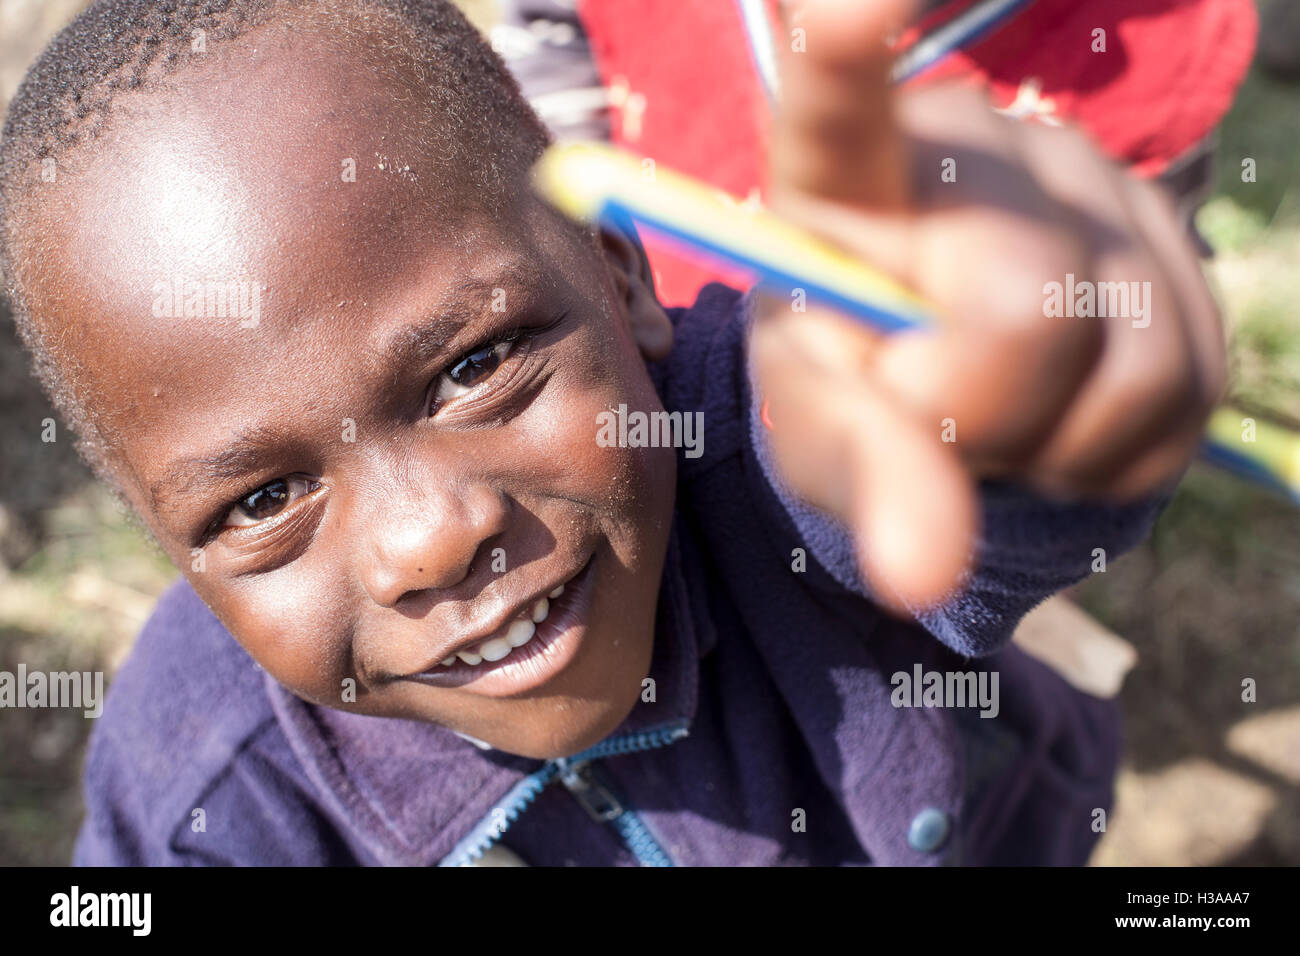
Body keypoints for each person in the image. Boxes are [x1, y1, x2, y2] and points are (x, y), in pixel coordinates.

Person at [0, 0, 1224, 865]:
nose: (428, 541)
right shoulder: (207, 775)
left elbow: (917, 477)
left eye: (474, 367)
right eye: (260, 500)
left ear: (618, 275)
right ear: (165, 540)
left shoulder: (750, 439)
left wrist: (1009, 405)